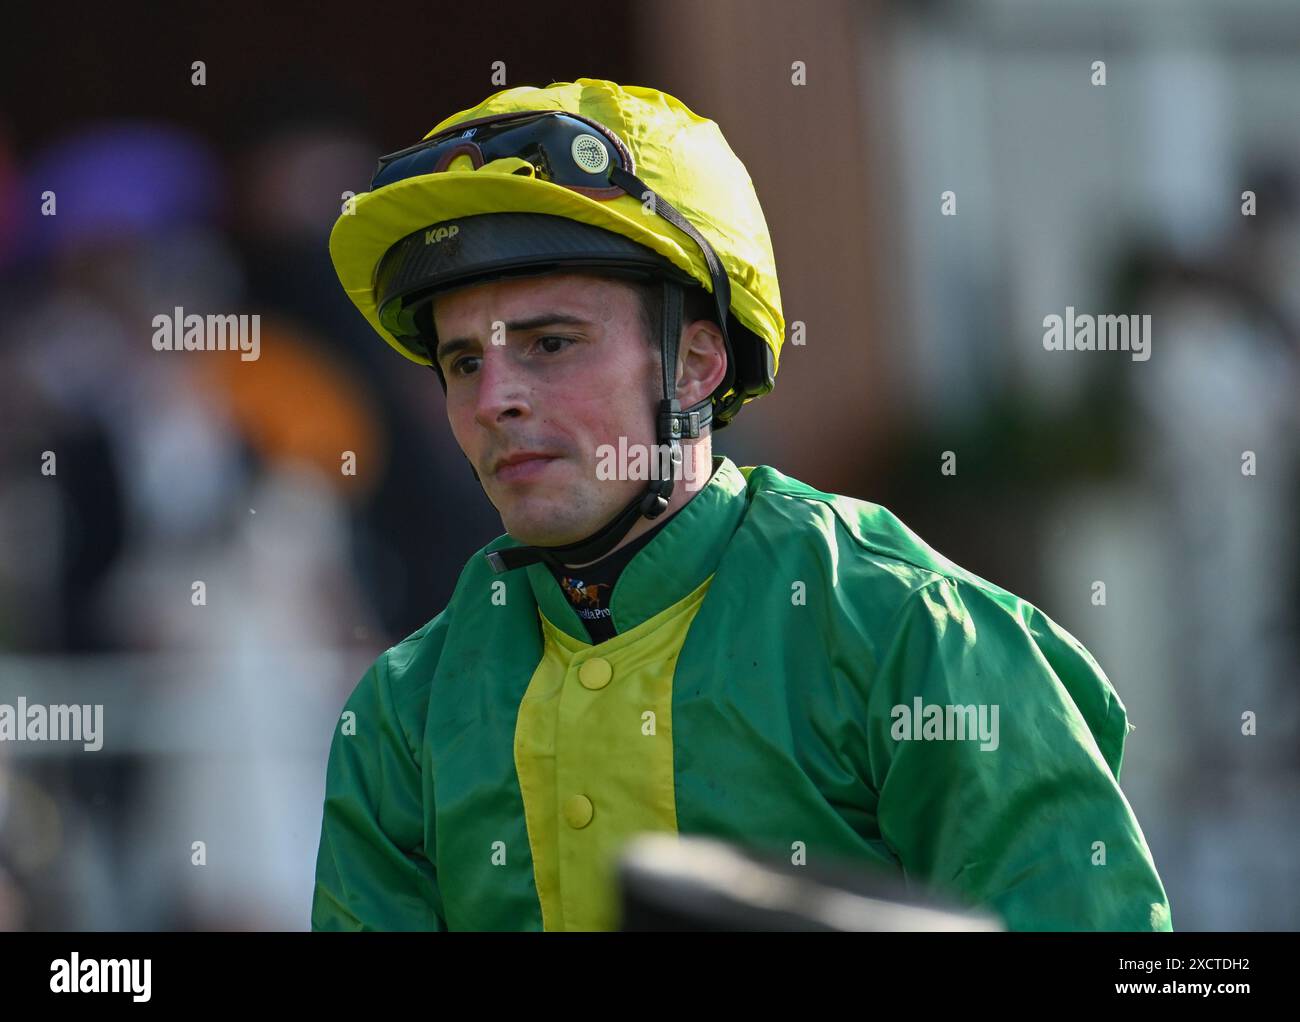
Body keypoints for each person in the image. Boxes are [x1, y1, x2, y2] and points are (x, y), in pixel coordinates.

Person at [311, 78, 1172, 932]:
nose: (494, 397)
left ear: (695, 366)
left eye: (550, 343)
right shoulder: (402, 714)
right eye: (463, 362)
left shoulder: (916, 637)